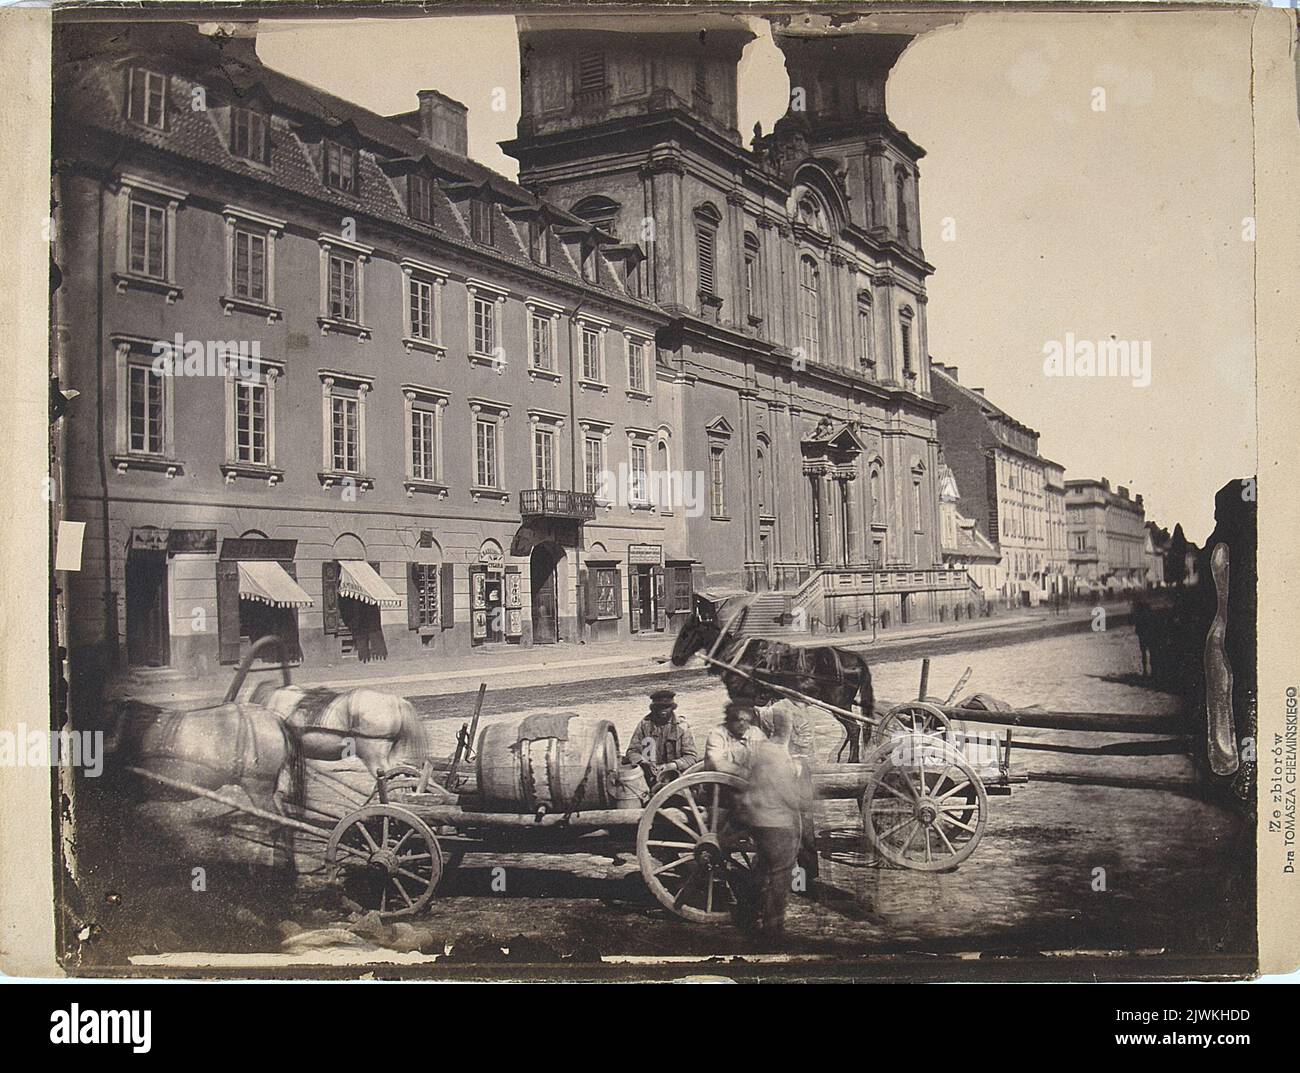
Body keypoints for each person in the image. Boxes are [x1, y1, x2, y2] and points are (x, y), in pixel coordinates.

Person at [737, 709, 805, 936]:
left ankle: (747, 914)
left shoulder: (759, 750)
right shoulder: (780, 756)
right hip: (777, 822)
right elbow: (789, 795)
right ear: (787, 730)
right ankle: (773, 928)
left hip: (755, 819)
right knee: (781, 874)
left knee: (762, 866)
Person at [754, 694, 819, 883]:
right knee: (802, 826)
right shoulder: (791, 709)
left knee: (797, 825)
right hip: (794, 770)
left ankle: (798, 875)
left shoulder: (778, 711)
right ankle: (807, 876)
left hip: (795, 772)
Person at [623, 689, 699, 785]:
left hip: (677, 778)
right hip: (649, 778)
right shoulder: (644, 725)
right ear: (653, 708)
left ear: (672, 708)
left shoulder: (682, 727)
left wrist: (671, 766)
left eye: (666, 707)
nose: (663, 711)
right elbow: (632, 751)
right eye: (659, 707)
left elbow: (691, 757)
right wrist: (643, 762)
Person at [703, 702, 767, 776]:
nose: (742, 724)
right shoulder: (717, 734)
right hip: (721, 781)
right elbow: (716, 763)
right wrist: (744, 772)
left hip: (750, 781)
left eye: (746, 720)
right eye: (738, 720)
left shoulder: (756, 733)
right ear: (729, 720)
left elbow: (769, 756)